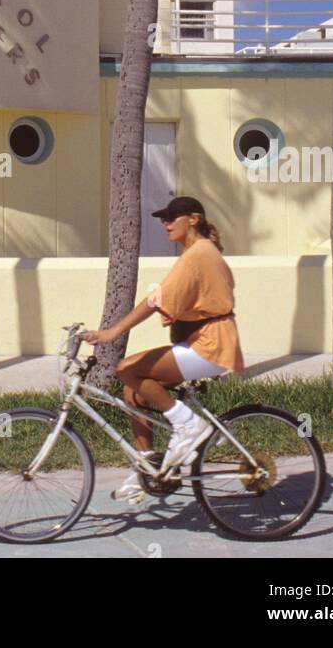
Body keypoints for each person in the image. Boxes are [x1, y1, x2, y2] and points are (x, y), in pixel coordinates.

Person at [83, 196, 245, 504]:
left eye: (173, 217)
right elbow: (166, 299)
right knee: (134, 394)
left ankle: (189, 425)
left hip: (211, 345)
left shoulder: (197, 254)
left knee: (127, 369)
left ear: (193, 219)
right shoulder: (196, 253)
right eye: (163, 219)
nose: (166, 223)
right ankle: (148, 469)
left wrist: (112, 332)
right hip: (200, 341)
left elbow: (157, 300)